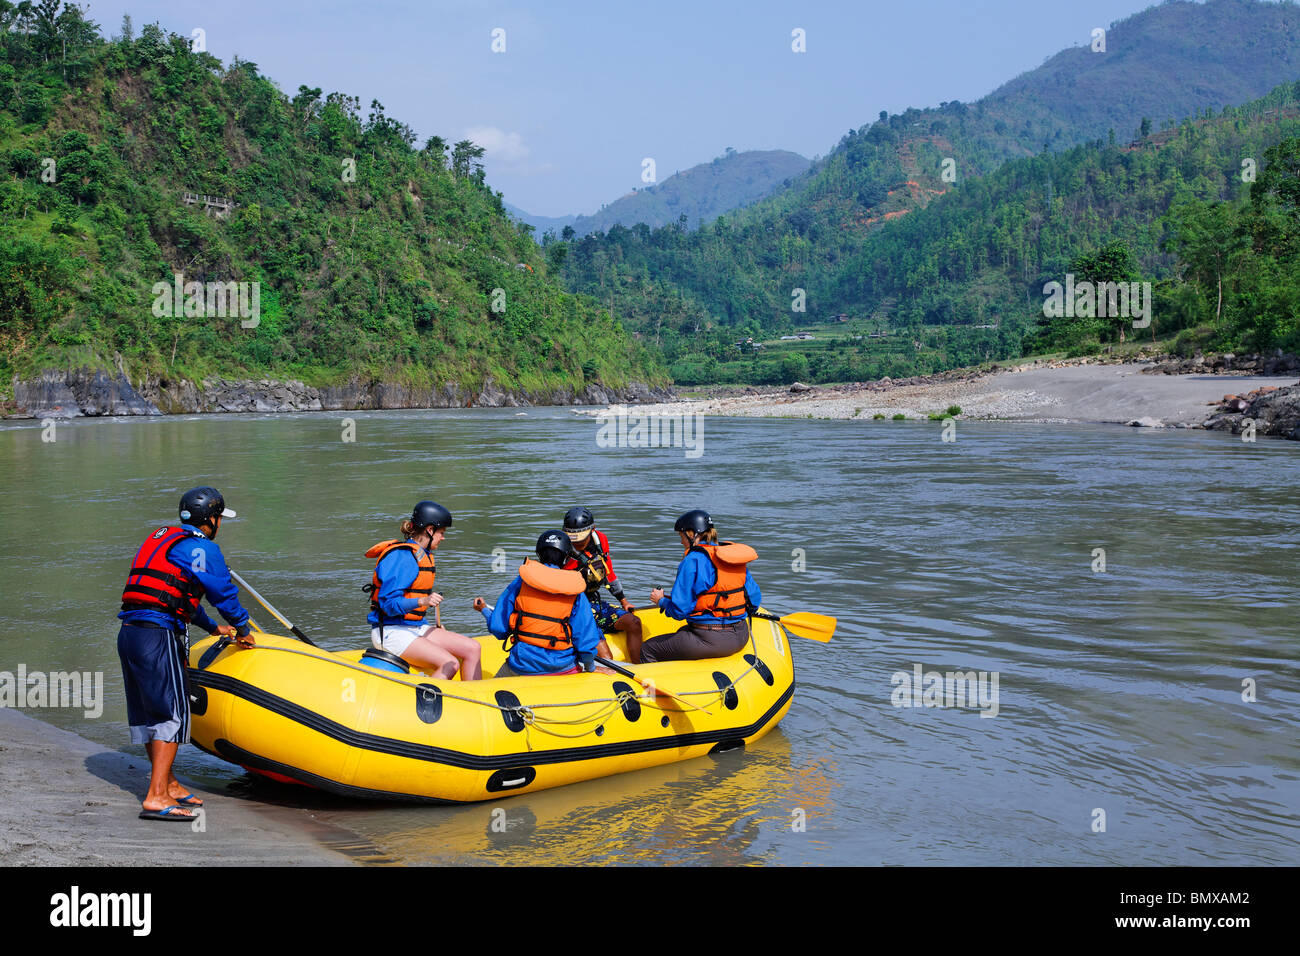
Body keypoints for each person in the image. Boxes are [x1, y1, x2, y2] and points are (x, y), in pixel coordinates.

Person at [117, 486, 254, 822]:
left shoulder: (160, 537)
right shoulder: (202, 548)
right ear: (211, 519)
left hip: (131, 634)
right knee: (171, 716)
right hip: (158, 636)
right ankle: (156, 797)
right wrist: (244, 630)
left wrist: (211, 629)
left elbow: (172, 593)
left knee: (150, 714)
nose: (220, 522)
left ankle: (169, 783)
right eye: (220, 517)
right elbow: (223, 594)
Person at [365, 501, 481, 681]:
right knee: (450, 663)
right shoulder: (401, 557)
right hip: (390, 632)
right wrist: (422, 602)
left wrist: (430, 623)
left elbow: (411, 602)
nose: (443, 537)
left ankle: (475, 701)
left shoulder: (420, 555)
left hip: (414, 627)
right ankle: (423, 706)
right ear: (429, 530)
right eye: (441, 533)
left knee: (473, 648)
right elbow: (388, 605)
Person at [472, 531, 600, 677]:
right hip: (564, 668)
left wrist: (484, 611)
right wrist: (590, 668)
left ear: (539, 555)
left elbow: (498, 628)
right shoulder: (575, 590)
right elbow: (585, 639)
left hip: (522, 666)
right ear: (566, 558)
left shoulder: (522, 581)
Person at [642, 509, 760, 664]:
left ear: (691, 534)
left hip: (710, 640)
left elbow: (679, 611)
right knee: (681, 633)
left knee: (648, 649)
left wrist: (661, 601)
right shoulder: (730, 556)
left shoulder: (693, 560)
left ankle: (652, 687)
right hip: (741, 634)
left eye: (681, 536)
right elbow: (754, 601)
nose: (681, 541)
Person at [561, 506, 644, 663]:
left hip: (594, 603)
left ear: (592, 530)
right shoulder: (561, 550)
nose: (577, 543)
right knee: (607, 658)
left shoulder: (601, 540)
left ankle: (639, 667)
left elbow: (609, 573)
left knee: (634, 623)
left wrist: (623, 600)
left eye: (581, 539)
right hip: (576, 609)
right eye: (574, 540)